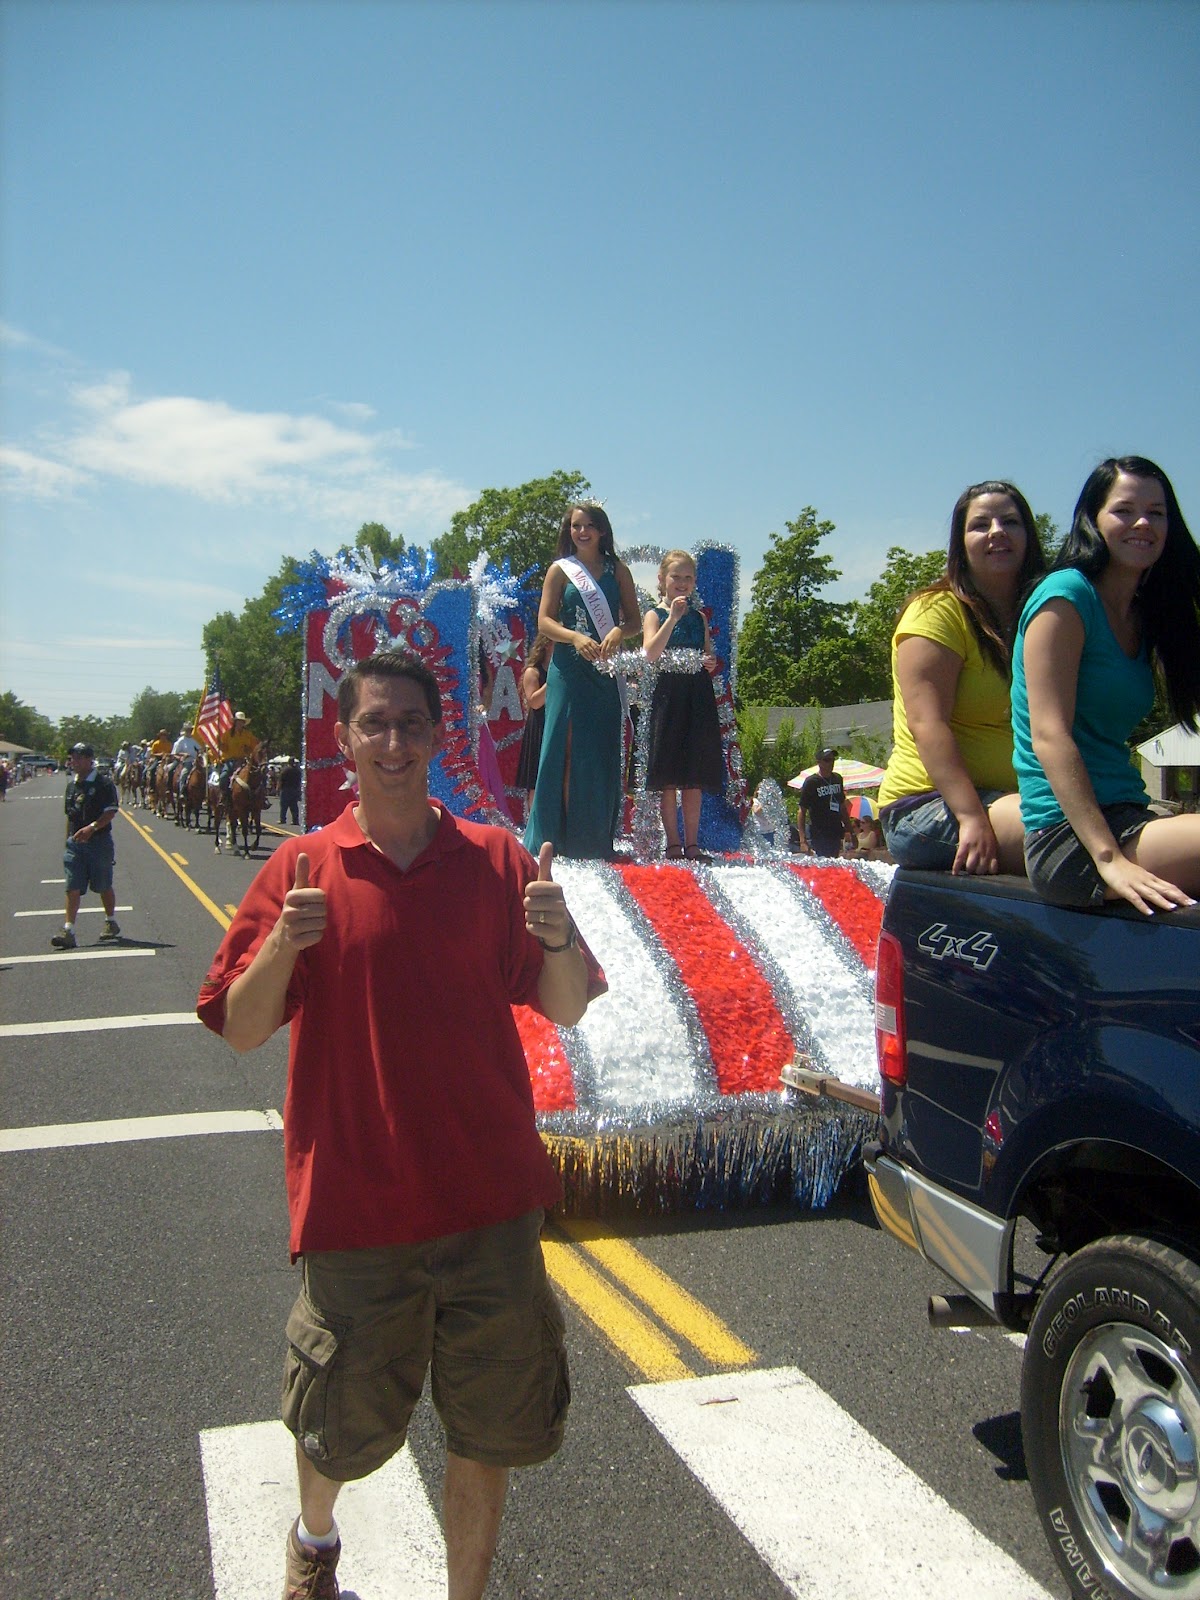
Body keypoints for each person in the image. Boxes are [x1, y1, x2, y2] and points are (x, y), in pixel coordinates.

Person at [196, 649, 604, 1600]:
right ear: (343, 740)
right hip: (359, 1207)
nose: (392, 741)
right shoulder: (303, 866)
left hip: (492, 1203)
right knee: (337, 1425)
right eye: (374, 724)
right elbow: (242, 1029)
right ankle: (316, 1537)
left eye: (410, 724)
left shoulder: (497, 858)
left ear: (435, 738)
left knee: (489, 1427)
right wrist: (281, 952)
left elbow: (568, 1007)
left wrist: (555, 936)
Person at [1012, 456, 1200, 915]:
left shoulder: (1144, 613)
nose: (1143, 522)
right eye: (1124, 510)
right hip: (1071, 839)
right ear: (1092, 519)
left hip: (1129, 813)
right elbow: (1050, 736)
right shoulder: (1065, 596)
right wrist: (1108, 858)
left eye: (1157, 512)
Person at [877, 480, 1046, 873]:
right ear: (961, 542)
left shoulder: (1040, 616)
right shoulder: (937, 611)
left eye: (1010, 522)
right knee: (1072, 835)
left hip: (1016, 798)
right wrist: (970, 816)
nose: (997, 532)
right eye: (981, 524)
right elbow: (926, 723)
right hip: (931, 807)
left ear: (1028, 535)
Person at [523, 503, 640, 859]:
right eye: (576, 526)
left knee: (599, 751)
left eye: (590, 525)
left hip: (603, 672)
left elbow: (634, 621)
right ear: (569, 530)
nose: (582, 532)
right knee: (564, 745)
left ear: (602, 530)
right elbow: (544, 622)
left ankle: (592, 840)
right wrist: (573, 637)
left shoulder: (618, 571)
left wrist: (619, 631)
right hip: (569, 669)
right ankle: (552, 838)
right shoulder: (560, 571)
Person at [642, 549, 724, 861]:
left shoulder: (699, 618)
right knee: (670, 775)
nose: (683, 582)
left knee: (694, 775)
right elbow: (650, 653)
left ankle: (693, 844)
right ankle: (672, 843)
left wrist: (710, 660)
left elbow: (706, 654)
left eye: (688, 577)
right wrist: (672, 618)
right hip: (668, 695)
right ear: (662, 580)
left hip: (697, 696)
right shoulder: (655, 614)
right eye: (677, 576)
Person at [51, 742, 120, 949]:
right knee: (72, 886)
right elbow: (70, 816)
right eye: (73, 758)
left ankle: (110, 920)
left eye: (79, 758)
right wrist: (67, 840)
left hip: (98, 842)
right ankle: (68, 930)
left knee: (102, 885)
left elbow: (110, 812)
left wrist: (92, 828)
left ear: (90, 760)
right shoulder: (72, 785)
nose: (75, 762)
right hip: (75, 844)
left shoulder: (103, 784)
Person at [515, 631, 553, 821]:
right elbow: (534, 702)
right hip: (539, 727)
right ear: (547, 644)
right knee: (535, 780)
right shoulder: (534, 671)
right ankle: (534, 823)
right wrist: (554, 678)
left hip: (556, 726)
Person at [796, 749, 856, 858]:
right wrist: (802, 840)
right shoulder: (812, 782)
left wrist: (851, 831)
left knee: (834, 859)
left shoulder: (837, 779)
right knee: (824, 862)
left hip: (835, 829)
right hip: (819, 831)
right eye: (827, 760)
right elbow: (802, 811)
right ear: (819, 762)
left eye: (833, 760)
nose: (831, 763)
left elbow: (842, 807)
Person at [278, 757, 302, 826]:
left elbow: (281, 779)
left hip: (286, 789)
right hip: (294, 789)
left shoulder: (285, 770)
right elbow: (299, 781)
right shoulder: (297, 771)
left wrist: (278, 788)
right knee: (294, 806)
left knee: (283, 805)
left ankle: (282, 819)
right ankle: (295, 820)